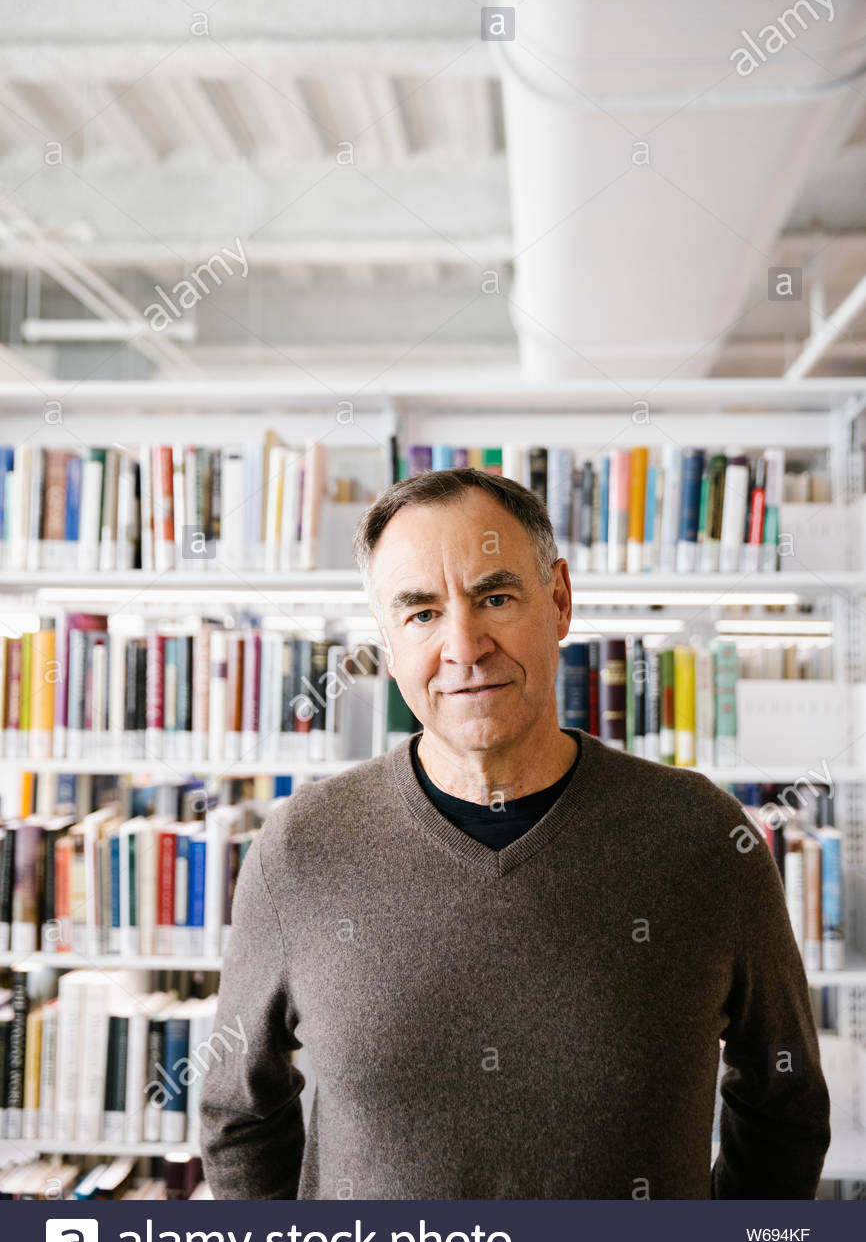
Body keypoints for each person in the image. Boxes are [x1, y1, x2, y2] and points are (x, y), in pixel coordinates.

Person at [198, 468, 831, 1199]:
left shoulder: (703, 839)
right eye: (421, 613)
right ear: (389, 639)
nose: (464, 646)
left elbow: (784, 1105)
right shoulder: (303, 848)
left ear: (559, 600)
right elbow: (237, 1112)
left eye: (494, 597)